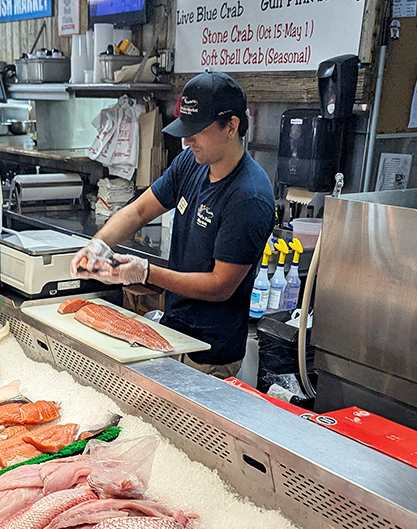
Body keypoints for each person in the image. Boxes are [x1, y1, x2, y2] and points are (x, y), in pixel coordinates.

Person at [71, 71, 275, 378]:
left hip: (209, 354)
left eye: (197, 130)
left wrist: (147, 272)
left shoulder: (249, 196)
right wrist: (98, 245)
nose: (186, 140)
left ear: (231, 126)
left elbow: (220, 286)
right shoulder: (192, 162)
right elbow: (139, 211)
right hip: (174, 332)